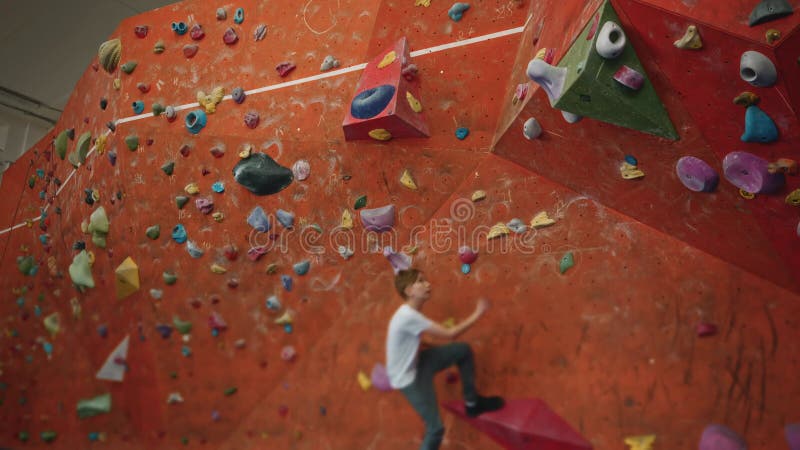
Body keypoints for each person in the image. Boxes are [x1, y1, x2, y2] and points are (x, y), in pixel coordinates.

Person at [386, 268, 504, 450]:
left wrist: (439, 349)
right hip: (408, 379)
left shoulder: (408, 314)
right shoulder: (408, 316)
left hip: (417, 361)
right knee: (435, 429)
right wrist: (478, 313)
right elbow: (450, 334)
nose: (427, 284)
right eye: (420, 281)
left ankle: (472, 404)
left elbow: (417, 340)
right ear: (409, 291)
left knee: (462, 351)